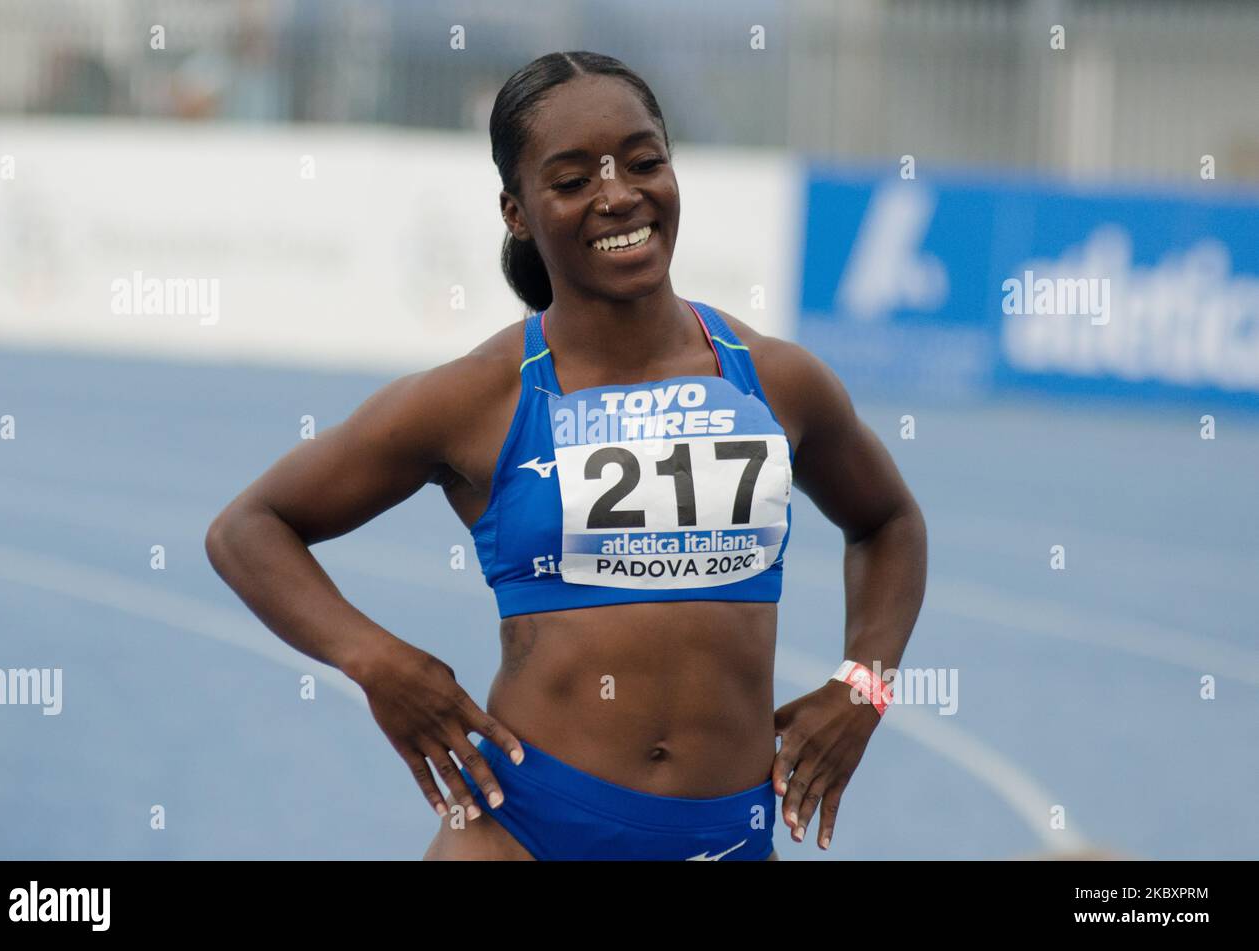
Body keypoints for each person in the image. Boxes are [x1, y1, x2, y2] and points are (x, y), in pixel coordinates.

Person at [204, 50, 927, 861]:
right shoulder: (479, 396)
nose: (619, 194)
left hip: (726, 837)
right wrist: (379, 661)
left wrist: (863, 687)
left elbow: (888, 521)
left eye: (644, 162)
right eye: (574, 178)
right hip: (524, 827)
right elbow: (248, 528)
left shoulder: (776, 380)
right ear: (517, 211)